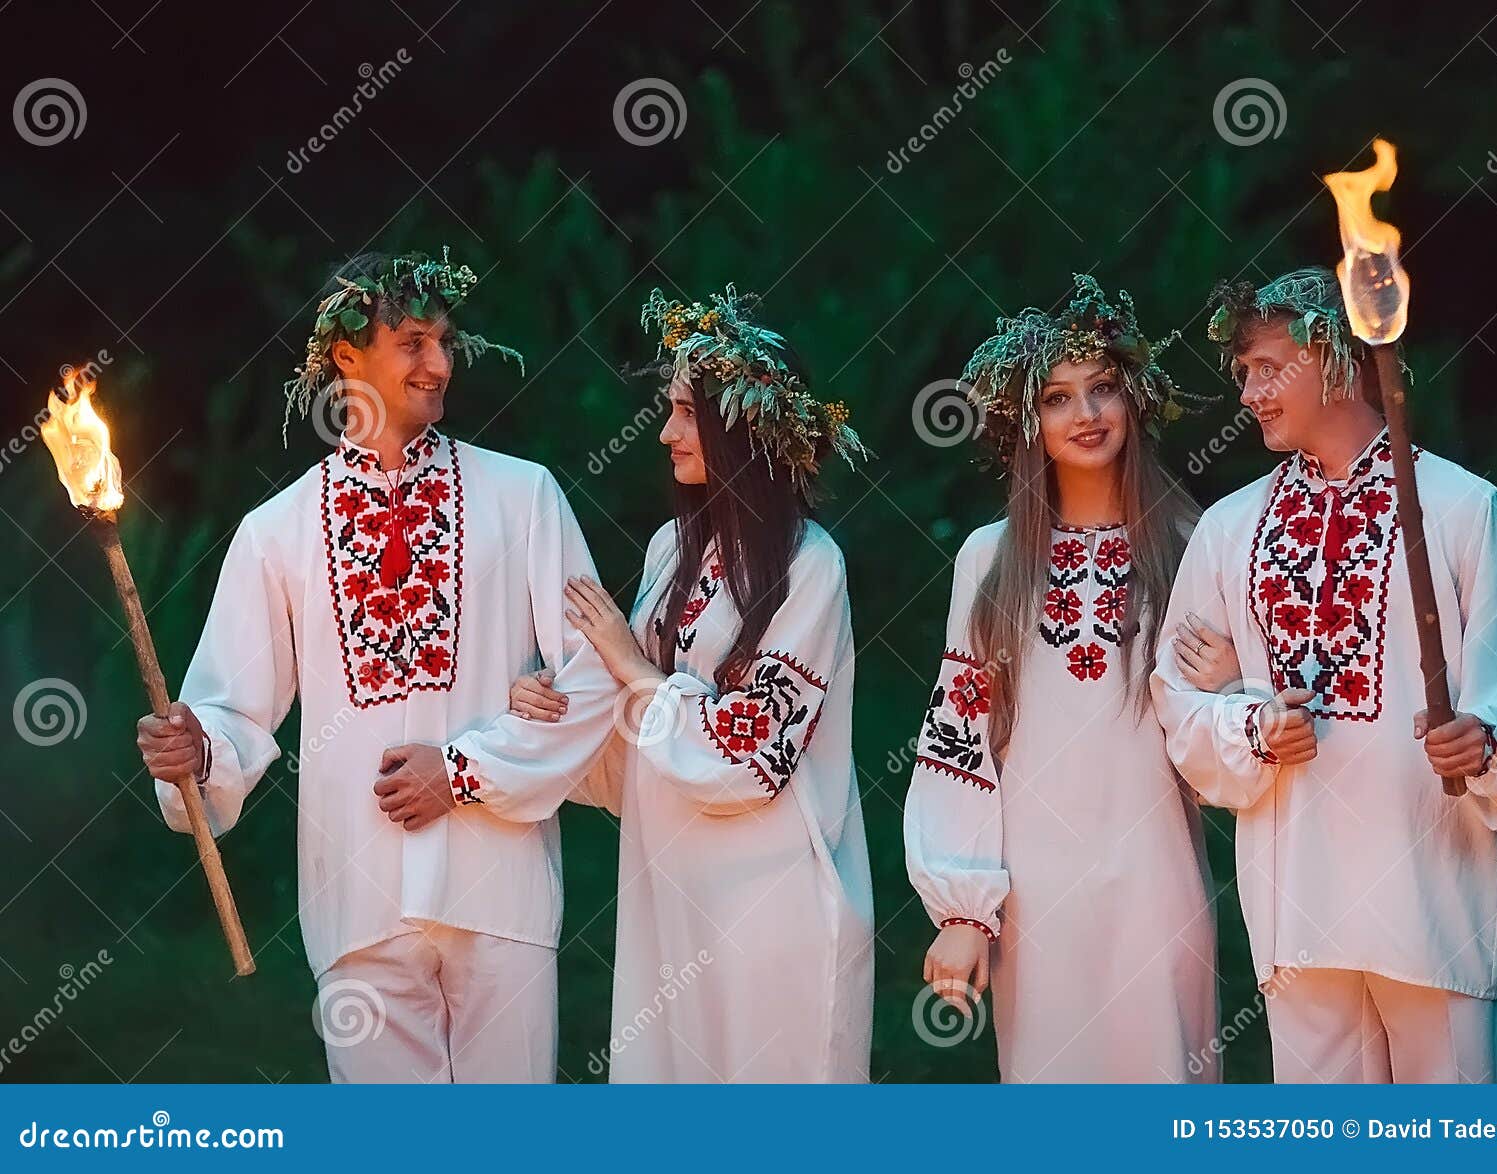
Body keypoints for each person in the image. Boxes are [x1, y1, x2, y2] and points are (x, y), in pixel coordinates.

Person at [135, 249, 620, 1082]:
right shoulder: (275, 531)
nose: (439, 363)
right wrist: (198, 750)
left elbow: (596, 672)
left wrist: (463, 771)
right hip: (355, 900)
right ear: (346, 357)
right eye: (414, 342)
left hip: (498, 888)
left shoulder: (523, 496)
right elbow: (230, 709)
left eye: (445, 341)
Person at [1151, 267, 1497, 1083]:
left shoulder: (1466, 510)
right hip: (1297, 897)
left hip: (1433, 891)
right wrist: (1254, 726)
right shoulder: (1229, 530)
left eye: (1268, 367)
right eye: (1243, 374)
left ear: (1333, 354)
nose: (1250, 393)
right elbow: (1178, 699)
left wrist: (1483, 744)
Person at [508, 285, 875, 1081]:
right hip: (669, 896)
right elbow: (633, 737)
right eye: (669, 408)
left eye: (686, 411)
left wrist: (632, 667)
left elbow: (753, 760)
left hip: (770, 902)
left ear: (739, 426)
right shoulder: (671, 550)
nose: (667, 431)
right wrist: (550, 705)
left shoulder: (811, 566)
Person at [902, 275, 1222, 1082]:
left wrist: (1229, 683)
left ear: (1134, 400)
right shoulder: (989, 558)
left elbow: (1232, 740)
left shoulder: (1194, 543)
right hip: (1034, 894)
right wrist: (964, 906)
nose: (1086, 414)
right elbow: (958, 737)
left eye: (1103, 389)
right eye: (1057, 397)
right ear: (1028, 422)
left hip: (1158, 879)